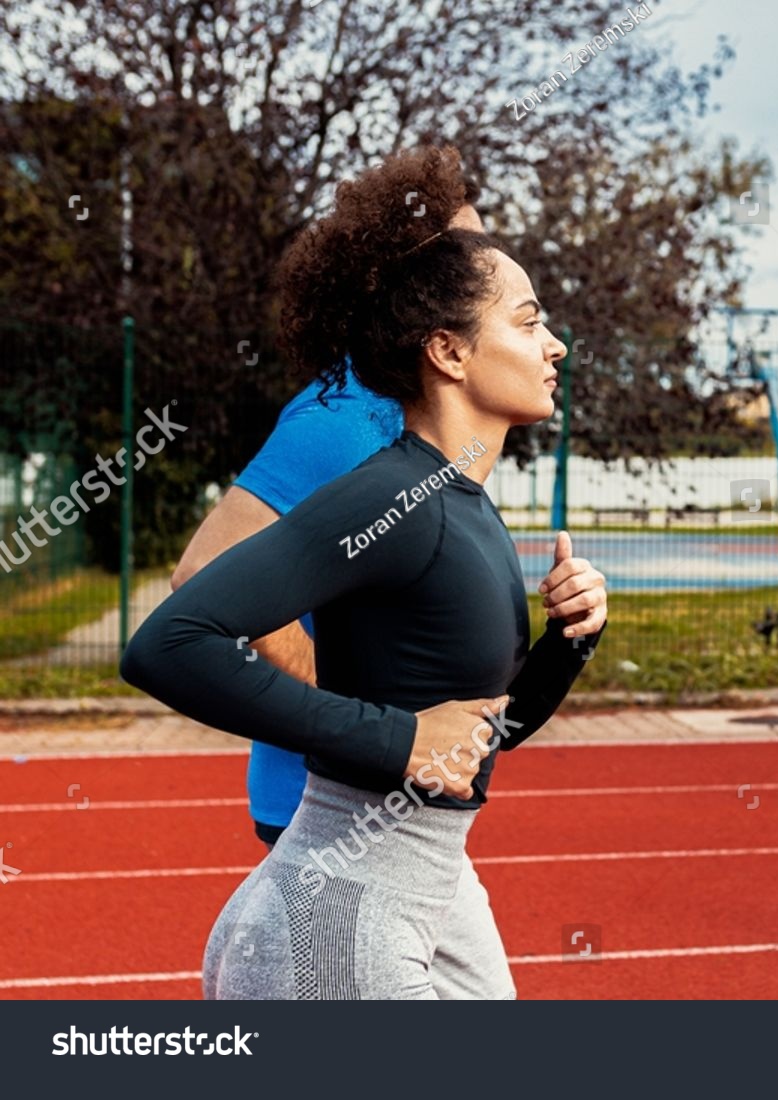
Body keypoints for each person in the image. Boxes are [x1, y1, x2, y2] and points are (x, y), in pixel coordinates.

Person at [121, 145, 607, 1000]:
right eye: (527, 322)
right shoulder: (387, 486)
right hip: (342, 911)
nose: (555, 344)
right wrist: (389, 733)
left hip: (424, 891)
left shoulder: (463, 501)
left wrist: (570, 642)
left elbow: (473, 744)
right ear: (447, 349)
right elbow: (168, 641)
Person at [169, 170, 485, 851]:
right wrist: (358, 717)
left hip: (405, 799)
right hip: (325, 805)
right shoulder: (342, 416)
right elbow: (201, 572)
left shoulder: (425, 417)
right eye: (464, 256)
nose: (491, 269)